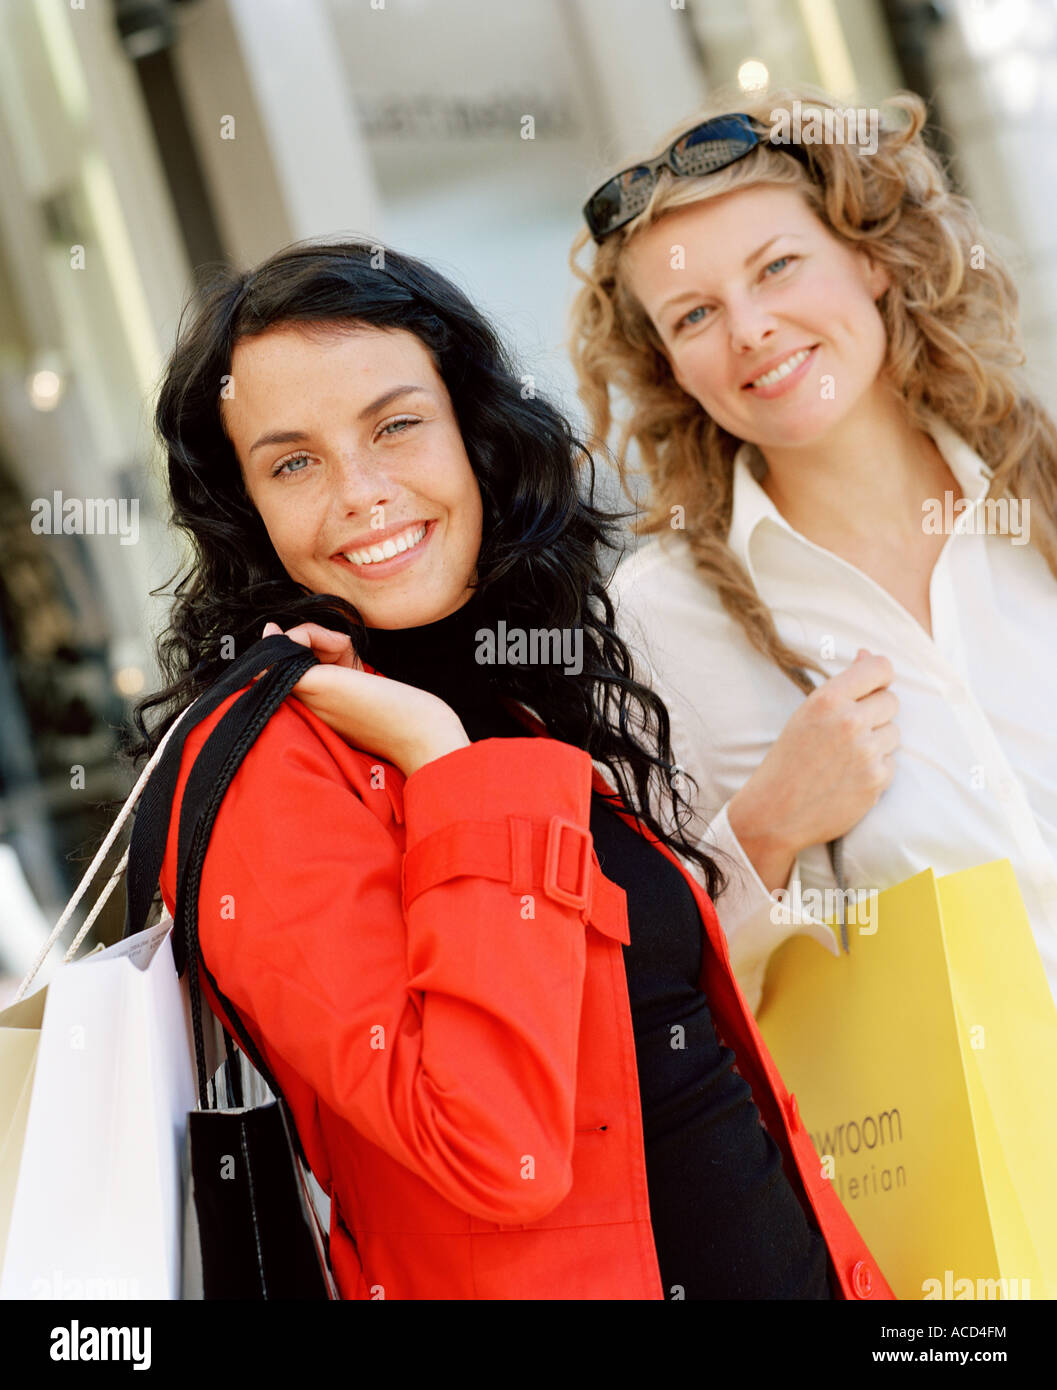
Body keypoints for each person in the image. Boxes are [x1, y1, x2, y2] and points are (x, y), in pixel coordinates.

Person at [129, 238, 891, 1300]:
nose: (361, 491)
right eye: (292, 461)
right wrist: (442, 762)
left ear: (473, 435)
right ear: (244, 506)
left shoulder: (519, 691)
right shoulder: (271, 757)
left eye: (397, 425)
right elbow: (492, 1147)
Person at [568, 88, 1057, 1014]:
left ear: (871, 258)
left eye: (778, 266)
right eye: (693, 315)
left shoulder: (1042, 501)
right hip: (961, 1156)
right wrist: (766, 827)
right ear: (668, 364)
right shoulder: (660, 620)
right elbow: (647, 994)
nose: (749, 328)